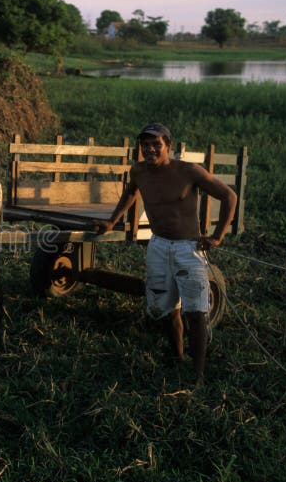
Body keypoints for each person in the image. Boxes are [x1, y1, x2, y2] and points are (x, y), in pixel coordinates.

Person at [95, 123, 237, 386]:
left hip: (188, 248)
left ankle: (198, 374)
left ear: (168, 146)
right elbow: (130, 193)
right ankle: (178, 358)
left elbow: (229, 196)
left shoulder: (188, 171)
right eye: (145, 145)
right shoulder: (138, 171)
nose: (149, 149)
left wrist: (218, 236)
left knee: (196, 312)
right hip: (158, 245)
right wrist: (112, 222)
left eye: (155, 144)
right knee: (165, 308)